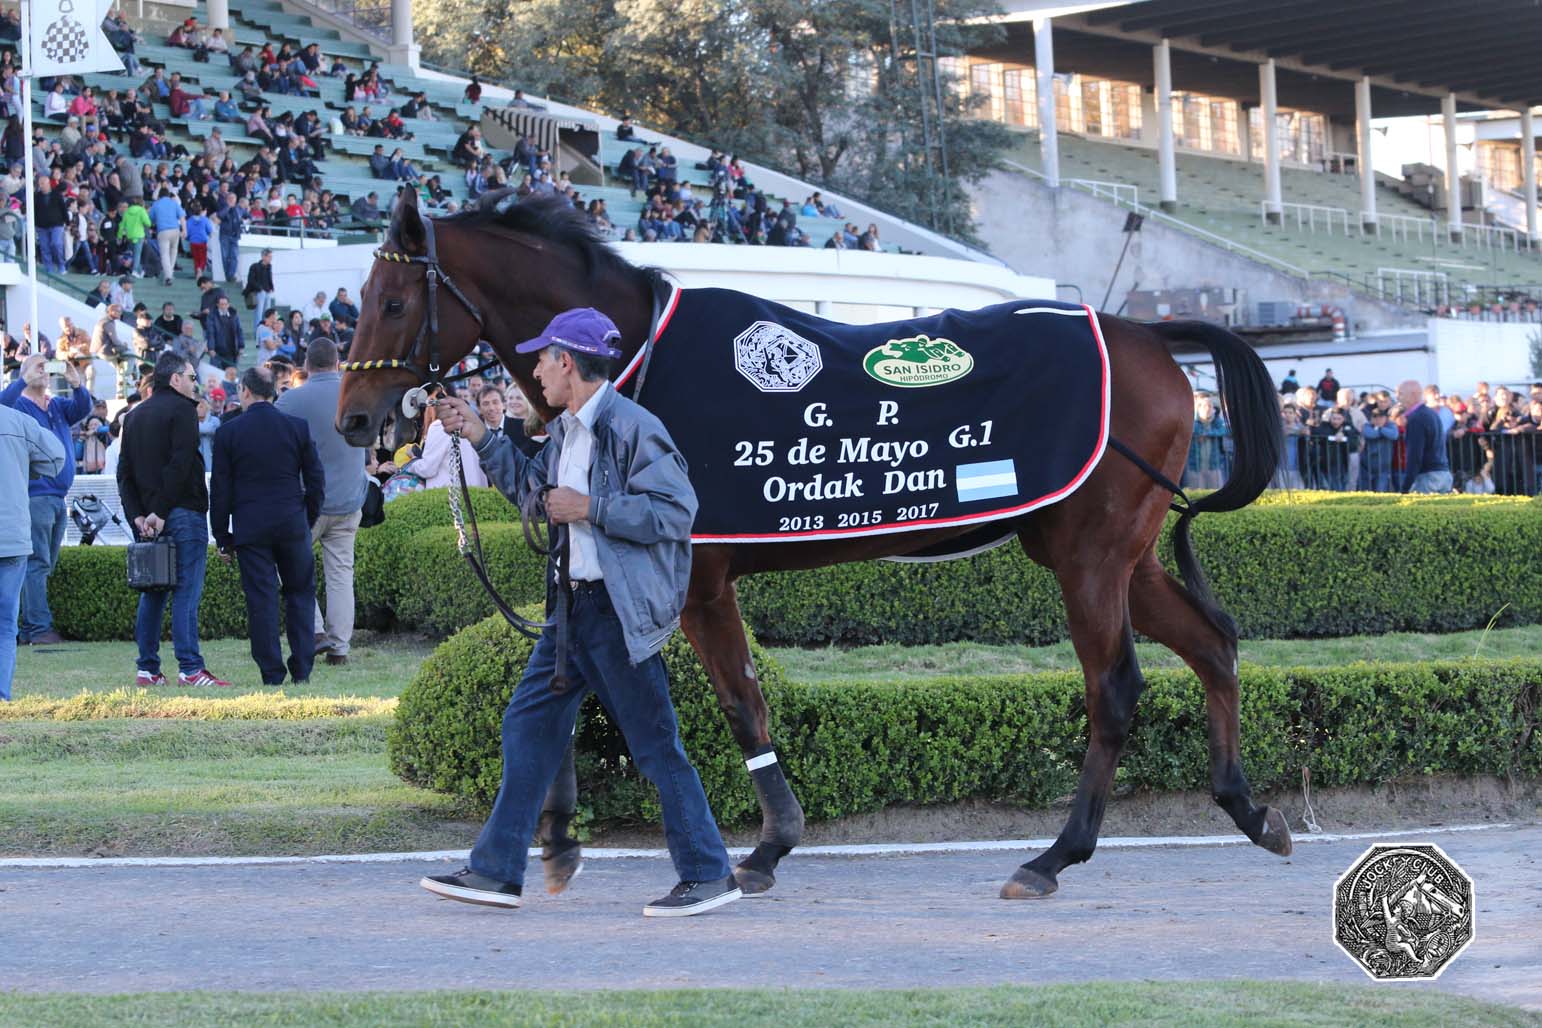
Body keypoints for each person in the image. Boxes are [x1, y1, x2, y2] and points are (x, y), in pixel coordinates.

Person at [419, 308, 741, 918]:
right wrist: (480, 437)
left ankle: (708, 872)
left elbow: (675, 513)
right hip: (571, 612)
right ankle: (495, 871)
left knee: (654, 747)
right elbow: (535, 497)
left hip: (615, 615)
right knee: (527, 727)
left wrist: (592, 507)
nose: (534, 370)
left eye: (542, 359)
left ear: (568, 361)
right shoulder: (565, 430)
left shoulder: (634, 427)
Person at [118, 351, 228, 688]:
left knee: (152, 592)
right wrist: (160, 513)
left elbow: (125, 474)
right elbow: (180, 465)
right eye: (192, 377)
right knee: (186, 592)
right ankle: (190, 668)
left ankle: (147, 669)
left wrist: (138, 515)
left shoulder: (134, 416)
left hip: (148, 520)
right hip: (180, 513)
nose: (196, 384)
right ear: (175, 379)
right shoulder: (183, 409)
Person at [212, 366, 324, 685]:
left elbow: (220, 490)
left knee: (261, 600)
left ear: (246, 391)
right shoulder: (296, 428)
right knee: (300, 595)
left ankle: (272, 673)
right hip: (292, 522)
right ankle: (302, 668)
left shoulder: (228, 433)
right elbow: (315, 481)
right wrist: (307, 519)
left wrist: (223, 536)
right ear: (272, 392)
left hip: (251, 528)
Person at [276, 339, 366, 665]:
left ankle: (314, 631)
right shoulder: (357, 394)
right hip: (350, 499)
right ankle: (340, 648)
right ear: (338, 362)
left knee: (289, 565)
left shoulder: (289, 400)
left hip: (305, 504)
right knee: (341, 574)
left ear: (306, 365)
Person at [1, 355, 92, 645]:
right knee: (37, 563)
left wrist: (76, 383)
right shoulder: (18, 404)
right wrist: (25, 379)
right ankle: (38, 628)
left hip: (56, 497)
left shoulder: (55, 406)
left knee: (44, 564)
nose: (44, 371)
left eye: (47, 366)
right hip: (35, 497)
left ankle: (32, 626)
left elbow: (82, 408)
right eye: (38, 365)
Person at [0, 402, 66, 697]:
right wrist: (27, 468)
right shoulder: (17, 421)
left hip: (13, 537)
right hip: (12, 536)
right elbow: (55, 458)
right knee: (5, 624)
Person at [1397, 379, 1452, 494]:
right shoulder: (1430, 413)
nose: (1397, 397)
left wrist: (1405, 487)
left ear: (1413, 395)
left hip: (1427, 478)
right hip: (1443, 474)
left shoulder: (1416, 418)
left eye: (1400, 394)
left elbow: (1415, 455)